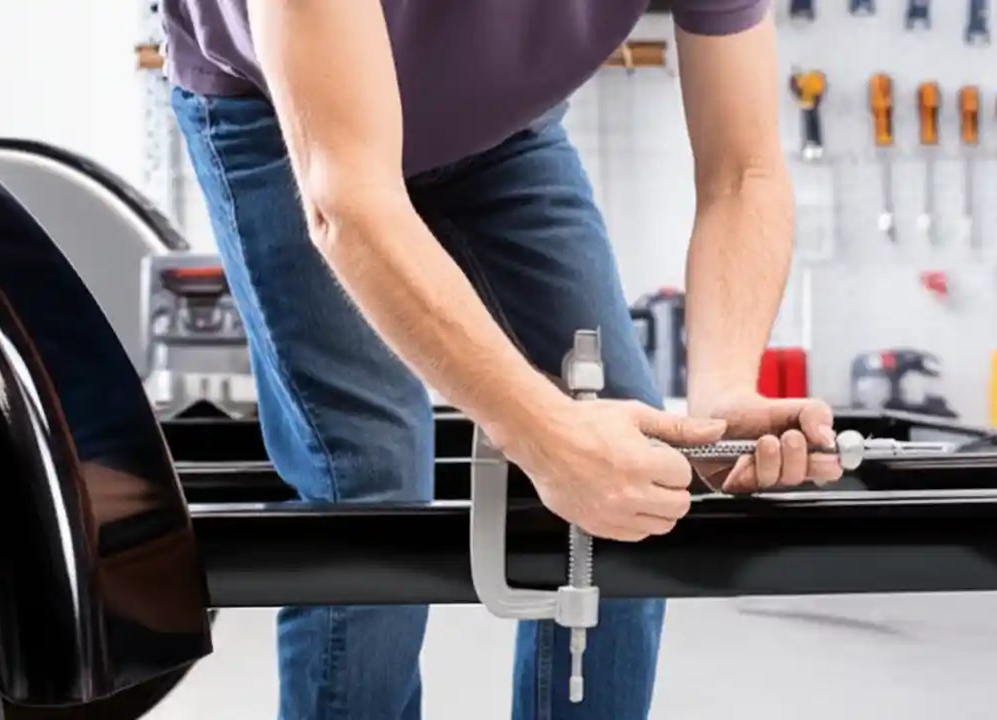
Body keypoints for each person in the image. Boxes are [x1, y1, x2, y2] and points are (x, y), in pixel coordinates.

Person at [162, 1, 844, 718]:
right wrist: (546, 436)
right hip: (282, 116)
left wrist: (723, 394)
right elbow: (351, 203)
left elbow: (744, 172)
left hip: (496, 133)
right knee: (371, 478)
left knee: (634, 473)